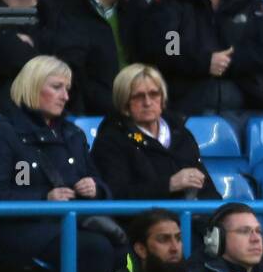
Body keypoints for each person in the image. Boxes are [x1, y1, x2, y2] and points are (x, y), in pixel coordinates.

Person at [0, 55, 121, 272]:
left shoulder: (73, 134)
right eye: (56, 87)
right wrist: (44, 198)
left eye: (67, 89)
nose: (65, 96)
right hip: (20, 229)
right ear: (32, 85)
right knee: (94, 249)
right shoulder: (4, 134)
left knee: (123, 250)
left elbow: (100, 182)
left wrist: (95, 188)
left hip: (71, 224)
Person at [91, 63, 219, 202]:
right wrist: (169, 185)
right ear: (124, 102)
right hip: (145, 219)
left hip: (194, 215)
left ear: (162, 98)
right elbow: (117, 193)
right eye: (138, 96)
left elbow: (206, 186)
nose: (147, 102)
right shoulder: (112, 139)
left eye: (153, 94)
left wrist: (222, 214)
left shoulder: (180, 133)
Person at [57, 0, 146, 116]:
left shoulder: (137, 5)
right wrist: (118, 105)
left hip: (143, 104)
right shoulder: (68, 15)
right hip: (99, 115)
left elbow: (168, 43)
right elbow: (74, 78)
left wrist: (173, 46)